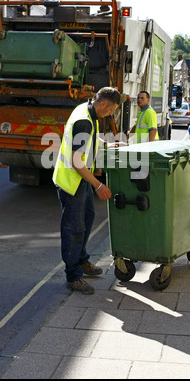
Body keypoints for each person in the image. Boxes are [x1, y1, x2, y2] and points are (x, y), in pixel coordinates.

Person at [53, 87, 121, 295]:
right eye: (111, 110)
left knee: (87, 219)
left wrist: (108, 145)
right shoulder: (84, 120)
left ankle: (81, 260)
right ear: (102, 104)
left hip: (79, 180)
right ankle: (73, 276)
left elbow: (88, 141)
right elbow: (76, 161)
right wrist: (98, 185)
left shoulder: (86, 110)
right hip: (72, 181)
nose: (111, 114)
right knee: (74, 229)